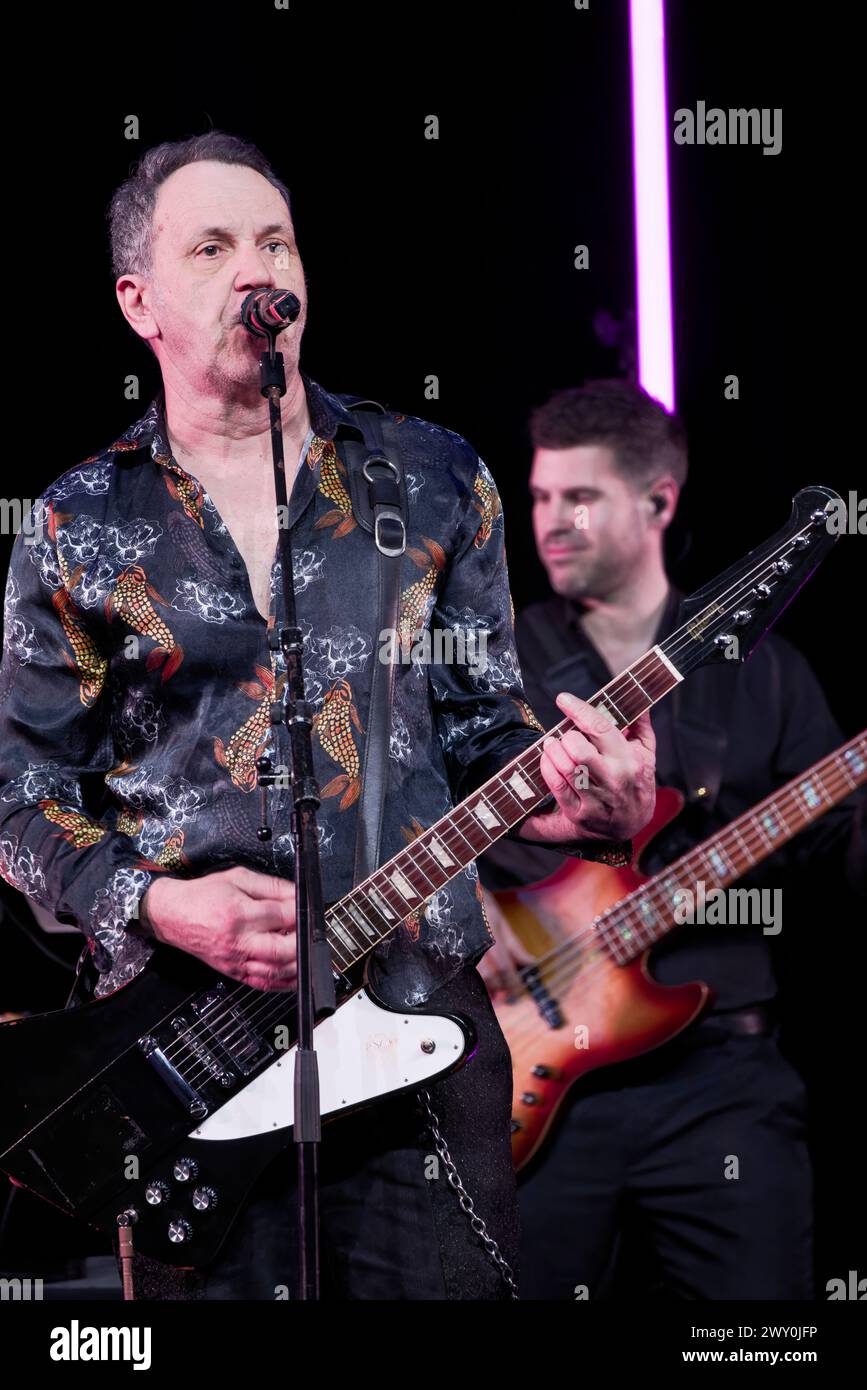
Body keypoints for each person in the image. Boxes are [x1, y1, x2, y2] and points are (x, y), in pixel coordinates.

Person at [0, 136, 656, 1300]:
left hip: (419, 1034)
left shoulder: (436, 478)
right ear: (137, 302)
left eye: (276, 242)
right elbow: (20, 800)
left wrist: (579, 803)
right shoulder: (77, 520)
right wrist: (160, 902)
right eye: (213, 247)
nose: (259, 271)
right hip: (191, 1064)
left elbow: (483, 735)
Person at [477, 379, 866, 1300]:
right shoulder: (500, 661)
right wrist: (463, 916)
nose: (550, 521)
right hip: (535, 1078)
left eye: (580, 497)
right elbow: (398, 818)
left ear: (657, 501)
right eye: (538, 497)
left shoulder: (764, 669)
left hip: (722, 1078)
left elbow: (840, 860)